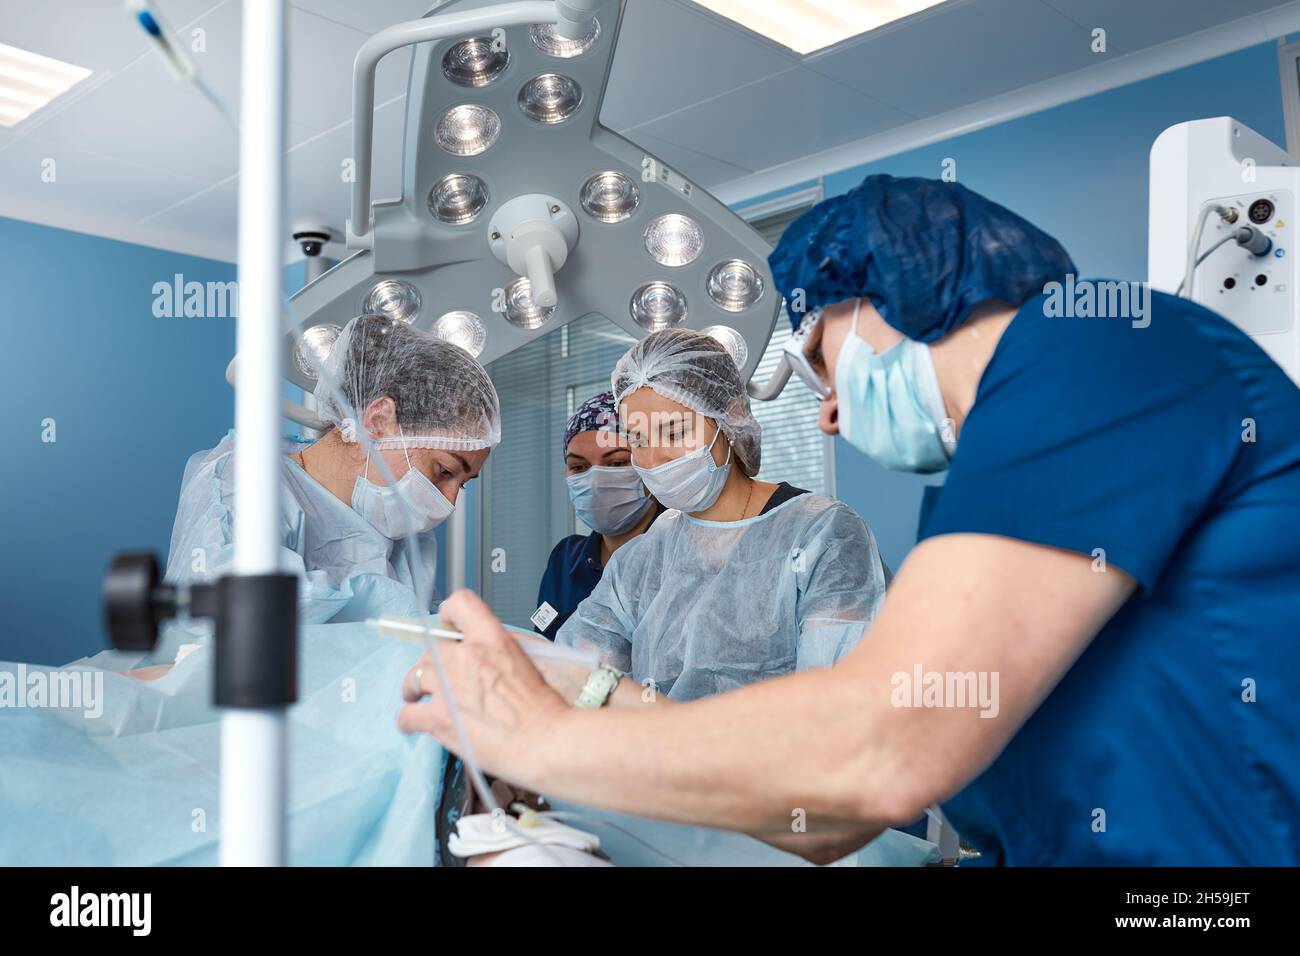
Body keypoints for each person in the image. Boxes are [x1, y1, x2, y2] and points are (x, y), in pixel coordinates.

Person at [397, 174, 1300, 866]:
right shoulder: (981, 479)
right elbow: (835, 807)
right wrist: (585, 695)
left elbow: (886, 745)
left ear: (870, 295)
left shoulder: (1101, 342)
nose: (826, 413)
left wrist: (549, 742)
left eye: (822, 361)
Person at [550, 328, 889, 702]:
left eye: (674, 432)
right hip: (656, 758)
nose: (653, 459)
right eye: (639, 440)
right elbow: (574, 675)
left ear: (730, 419)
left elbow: (833, 705)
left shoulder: (824, 535)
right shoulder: (642, 560)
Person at [167, 313, 501, 625]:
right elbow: (233, 620)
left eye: (464, 483)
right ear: (378, 421)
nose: (450, 501)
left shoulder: (406, 539)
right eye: (444, 471)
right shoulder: (245, 484)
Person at [534, 392, 662, 641]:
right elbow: (544, 647)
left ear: (651, 464)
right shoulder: (565, 559)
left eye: (616, 463)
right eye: (579, 467)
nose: (595, 482)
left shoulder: (681, 553)